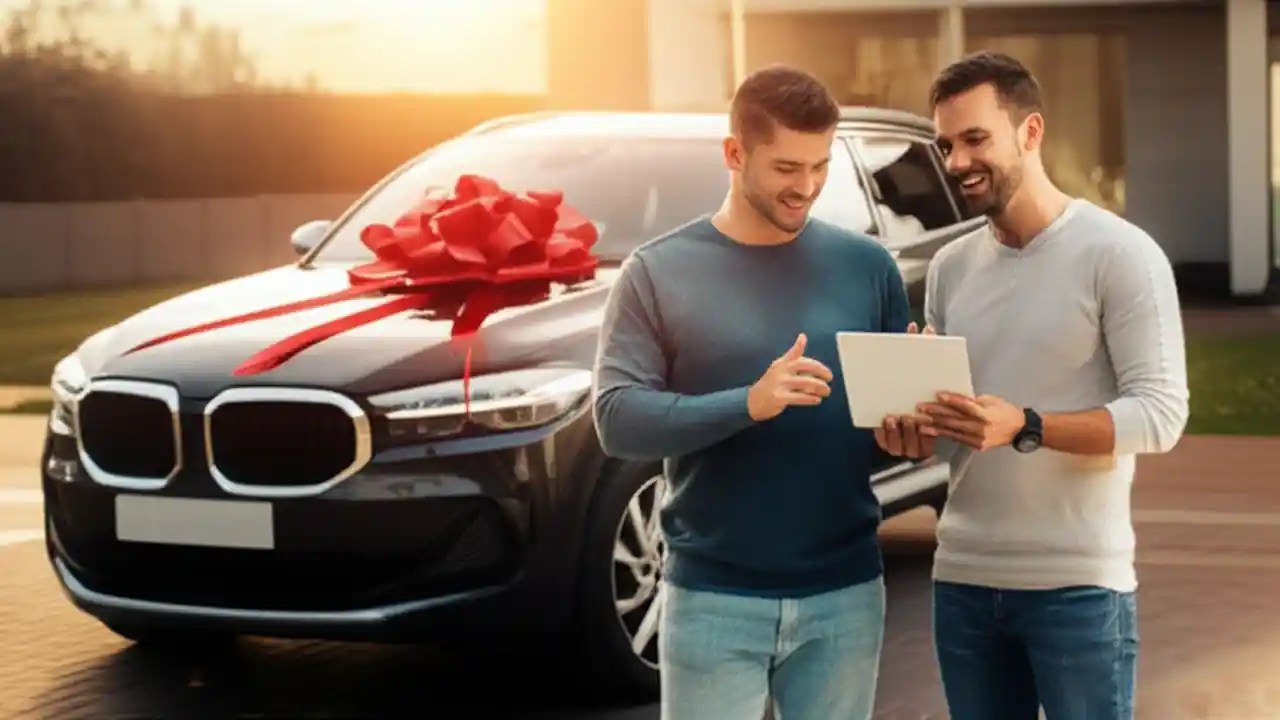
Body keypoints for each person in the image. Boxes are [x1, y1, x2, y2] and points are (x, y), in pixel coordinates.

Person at [875, 51, 1190, 719]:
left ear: (1031, 131)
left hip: (1078, 588)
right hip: (962, 580)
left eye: (975, 139)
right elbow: (952, 443)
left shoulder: (1121, 254)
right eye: (946, 144)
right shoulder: (952, 268)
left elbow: (1160, 415)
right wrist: (913, 430)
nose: (956, 161)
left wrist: (1026, 425)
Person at [592, 64, 910, 720]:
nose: (808, 188)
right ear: (734, 154)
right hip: (714, 599)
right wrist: (749, 402)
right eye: (787, 168)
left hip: (845, 596)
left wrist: (914, 427)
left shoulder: (868, 268)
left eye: (821, 166)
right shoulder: (657, 272)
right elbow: (617, 418)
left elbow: (882, 434)